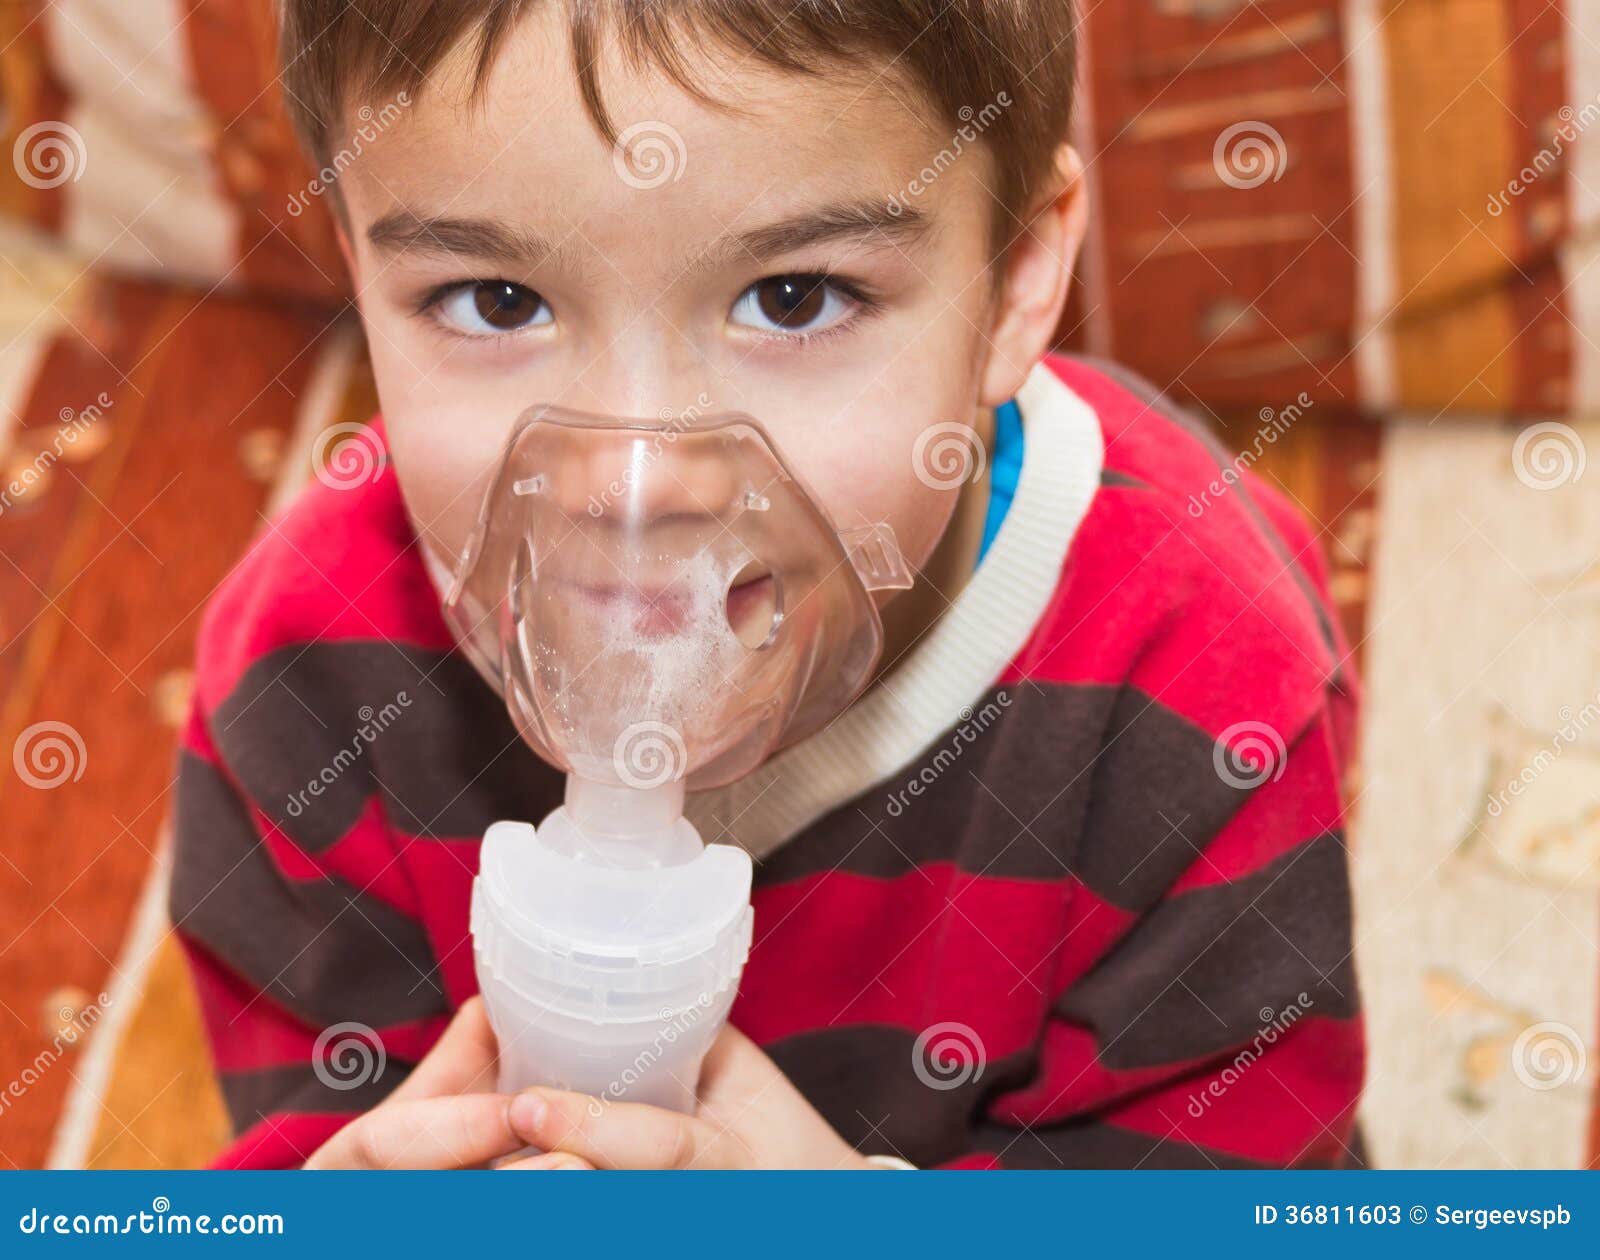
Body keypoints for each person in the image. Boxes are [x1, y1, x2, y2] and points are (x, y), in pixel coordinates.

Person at [172, 0, 1365, 1170]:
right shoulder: (311, 678)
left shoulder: (1196, 683)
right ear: (358, 272)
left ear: (1014, 276)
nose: (633, 484)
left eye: (793, 297)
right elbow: (307, 1132)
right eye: (496, 301)